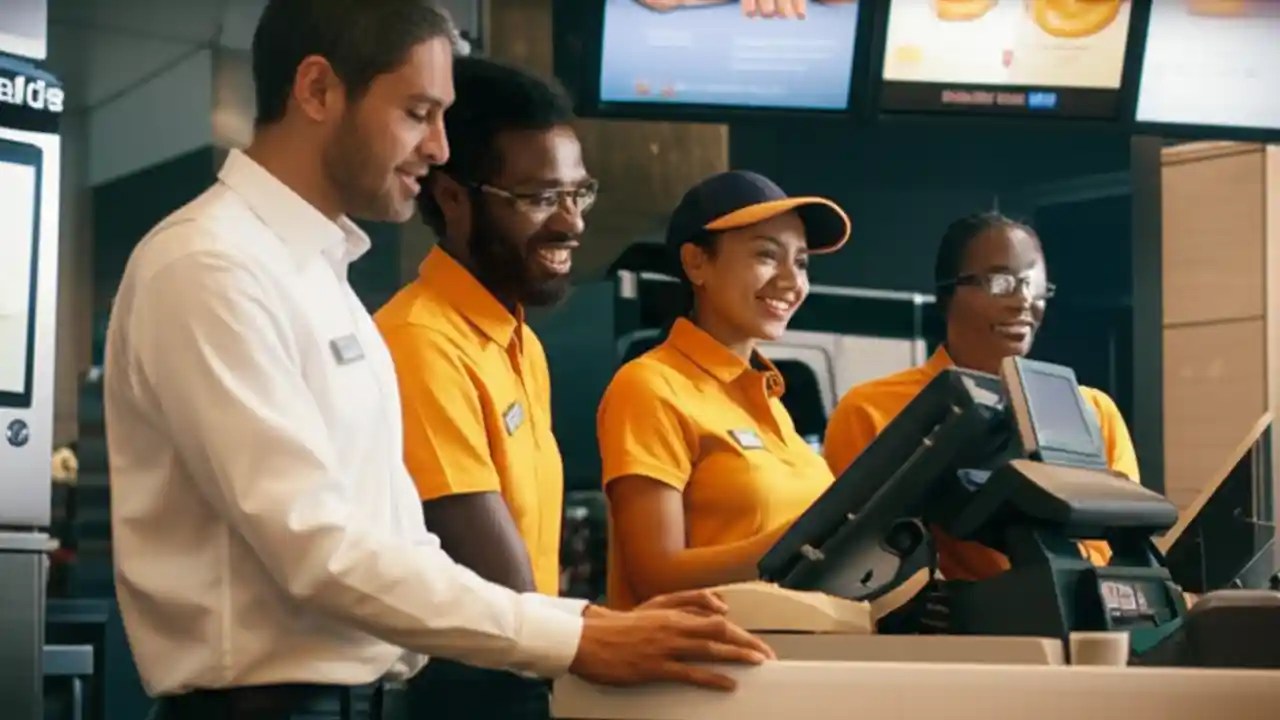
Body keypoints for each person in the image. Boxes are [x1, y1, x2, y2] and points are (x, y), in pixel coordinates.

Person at [102, 3, 772, 719]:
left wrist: (585, 623)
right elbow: (314, 546)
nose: (439, 147)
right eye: (419, 112)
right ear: (319, 91)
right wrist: (569, 640)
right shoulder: (210, 265)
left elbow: (399, 542)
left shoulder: (321, 278)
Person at [373, 56, 595, 719]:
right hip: (464, 692)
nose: (570, 223)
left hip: (526, 677)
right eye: (538, 198)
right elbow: (497, 582)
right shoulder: (421, 340)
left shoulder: (518, 340)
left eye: (578, 193)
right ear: (451, 198)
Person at [823, 211, 1140, 582]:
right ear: (947, 292)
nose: (1023, 301)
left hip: (1084, 624)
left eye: (1034, 285)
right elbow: (849, 557)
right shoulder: (871, 409)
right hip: (943, 632)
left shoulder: (1093, 409)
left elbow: (1123, 540)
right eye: (1001, 282)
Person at [596, 170, 852, 609]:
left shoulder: (770, 396)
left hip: (789, 659)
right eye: (767, 256)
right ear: (696, 263)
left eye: (802, 262)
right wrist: (797, 544)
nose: (793, 281)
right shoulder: (650, 386)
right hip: (698, 665)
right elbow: (652, 575)